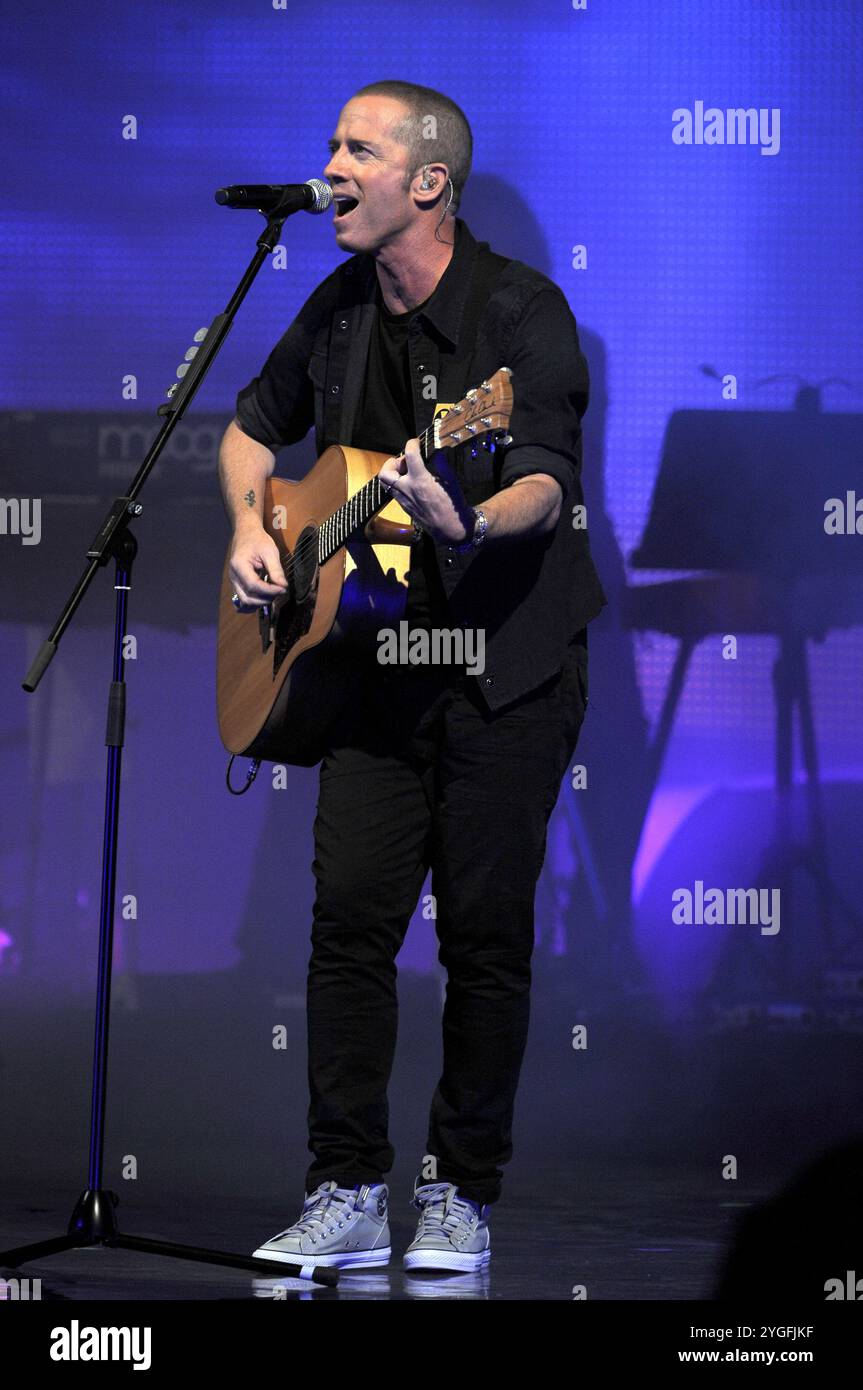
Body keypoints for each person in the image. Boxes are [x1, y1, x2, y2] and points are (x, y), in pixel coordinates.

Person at [217, 79, 606, 1273]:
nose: (328, 165)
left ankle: (459, 1198)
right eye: (329, 144)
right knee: (347, 932)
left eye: (356, 148)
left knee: (483, 940)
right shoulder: (336, 307)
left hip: (502, 670)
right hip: (372, 672)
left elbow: (542, 477)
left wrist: (468, 519)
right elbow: (247, 433)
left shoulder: (521, 318)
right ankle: (342, 1188)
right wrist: (251, 527)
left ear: (427, 183)